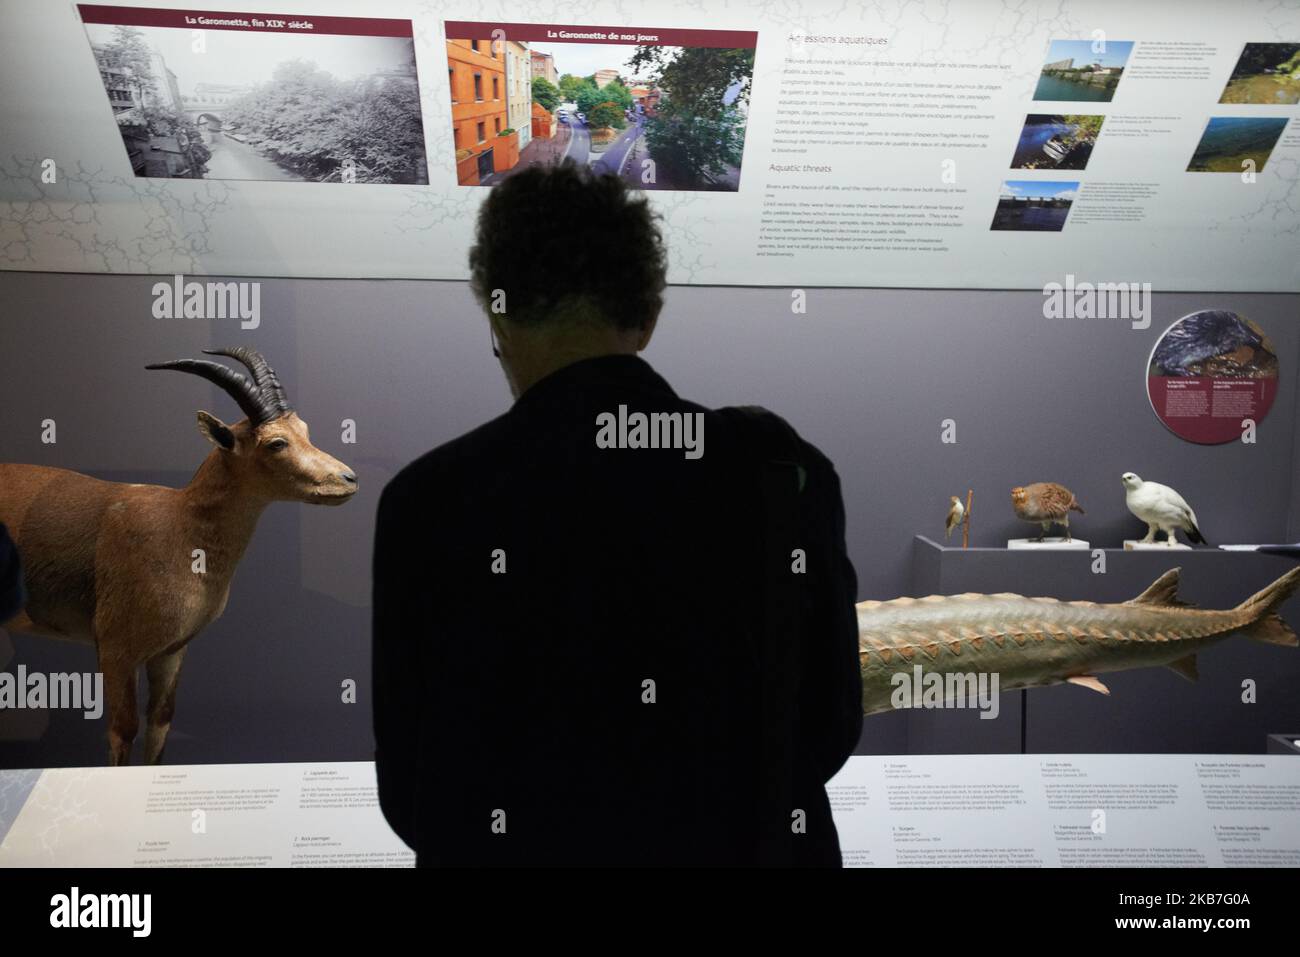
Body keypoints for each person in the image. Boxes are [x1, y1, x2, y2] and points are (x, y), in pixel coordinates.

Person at [371, 161, 861, 867]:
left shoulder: (430, 498)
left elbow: (414, 793)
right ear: (649, 316)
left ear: (498, 314)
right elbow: (828, 727)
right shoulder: (782, 469)